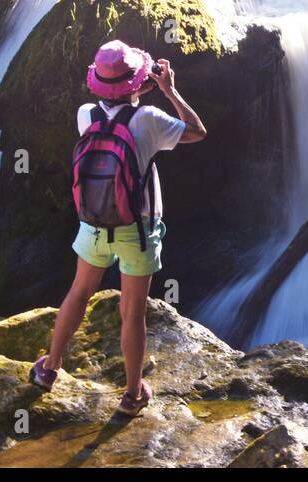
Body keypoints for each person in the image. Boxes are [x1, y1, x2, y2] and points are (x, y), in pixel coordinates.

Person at [29, 39, 206, 416]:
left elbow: (115, 113)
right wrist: (168, 89)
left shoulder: (85, 115)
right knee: (133, 312)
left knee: (77, 294)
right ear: (136, 83)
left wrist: (134, 90)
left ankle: (50, 367)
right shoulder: (149, 120)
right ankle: (131, 394)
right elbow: (197, 131)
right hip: (137, 229)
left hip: (93, 224)